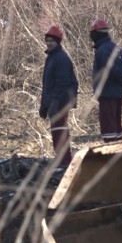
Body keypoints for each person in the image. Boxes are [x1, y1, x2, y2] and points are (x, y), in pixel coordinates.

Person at [39, 26, 79, 166]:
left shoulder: (61, 58)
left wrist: (55, 103)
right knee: (57, 131)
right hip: (54, 102)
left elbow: (62, 83)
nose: (49, 43)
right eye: (47, 40)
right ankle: (62, 160)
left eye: (52, 41)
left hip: (61, 102)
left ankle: (65, 162)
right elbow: (48, 85)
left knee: (59, 131)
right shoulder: (51, 58)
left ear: (58, 42)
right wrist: (44, 106)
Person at [90, 18, 122, 143]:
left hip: (107, 94)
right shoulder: (117, 49)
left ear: (96, 34)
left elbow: (109, 70)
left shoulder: (102, 51)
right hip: (119, 94)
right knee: (117, 127)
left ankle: (112, 154)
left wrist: (118, 80)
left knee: (108, 128)